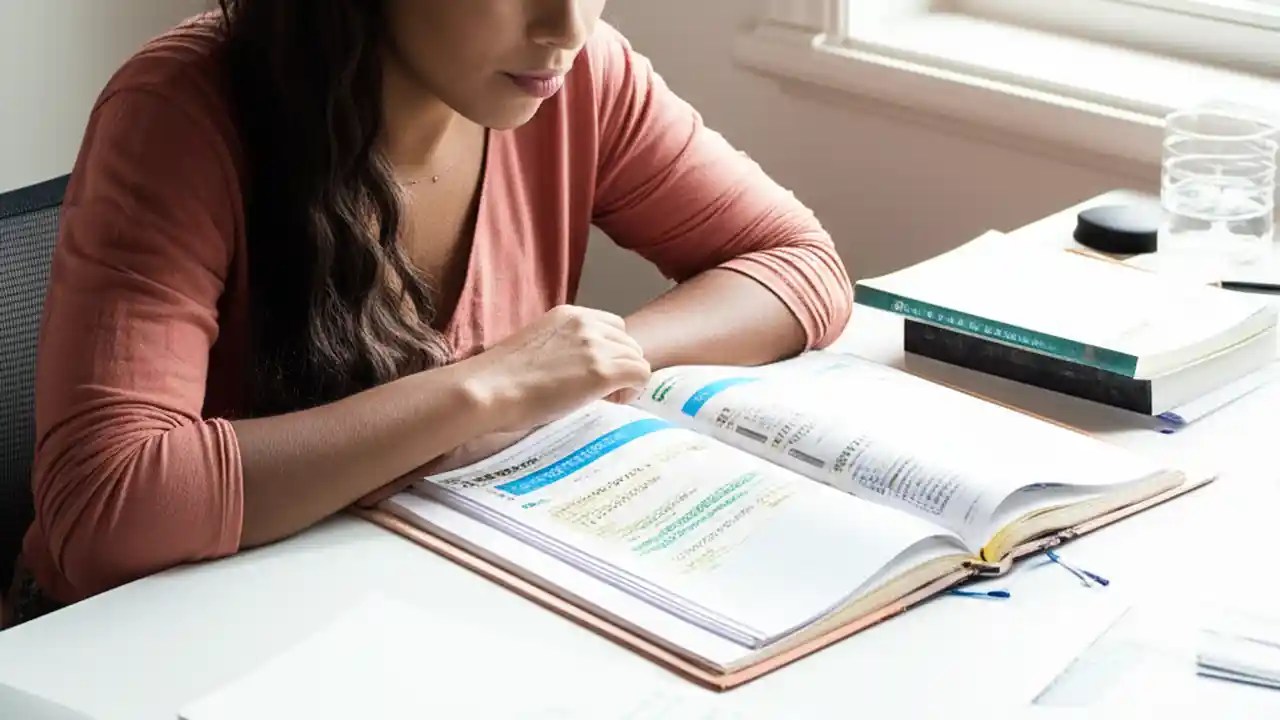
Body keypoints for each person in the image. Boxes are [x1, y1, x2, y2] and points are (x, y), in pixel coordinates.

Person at [9, 0, 852, 624]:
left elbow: (799, 265)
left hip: (405, 613)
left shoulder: (580, 76)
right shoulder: (182, 111)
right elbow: (106, 506)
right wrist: (483, 393)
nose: (566, 25)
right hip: (135, 651)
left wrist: (597, 356)